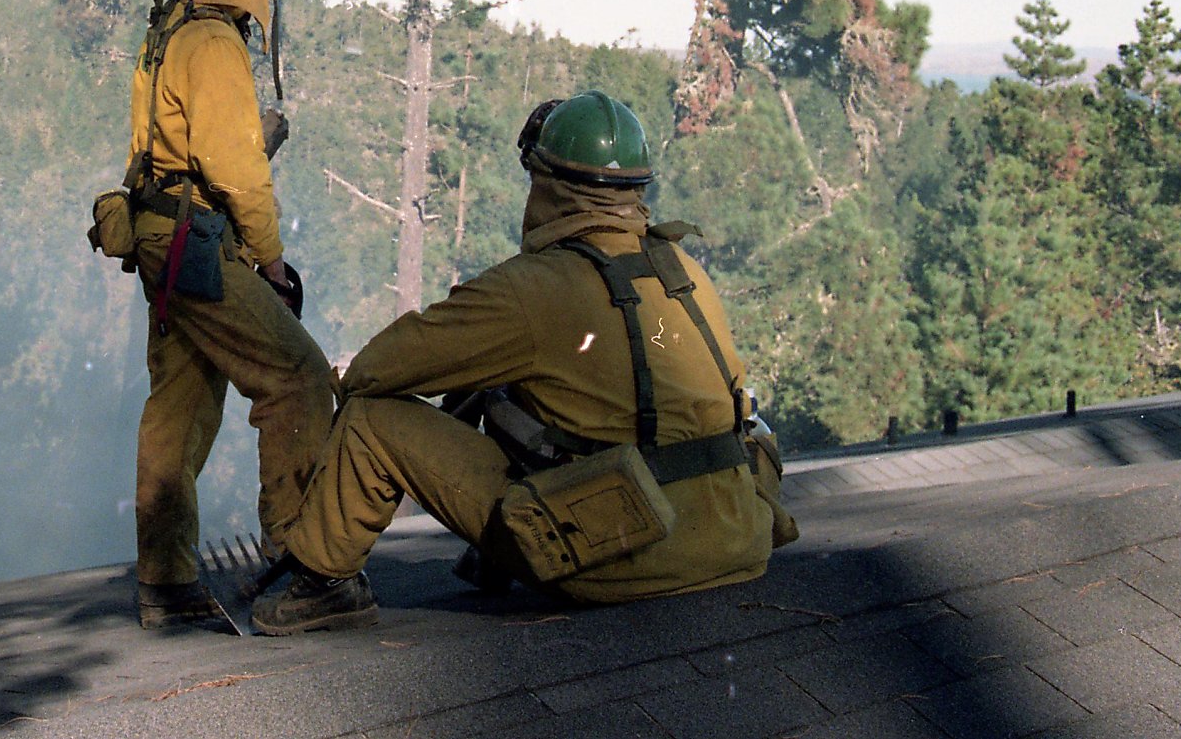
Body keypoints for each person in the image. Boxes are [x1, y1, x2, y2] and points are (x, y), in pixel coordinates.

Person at [252, 91, 788, 635]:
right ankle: (492, 557)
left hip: (624, 563)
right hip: (736, 541)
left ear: (548, 186)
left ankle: (325, 585)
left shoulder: (533, 289)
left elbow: (375, 370)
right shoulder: (681, 268)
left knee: (373, 421)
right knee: (542, 399)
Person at [119, 0, 334, 628]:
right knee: (298, 377)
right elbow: (236, 169)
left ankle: (168, 584)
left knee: (178, 407)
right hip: (198, 241)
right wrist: (271, 263)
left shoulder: (168, 25)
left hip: (164, 236)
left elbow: (174, 147)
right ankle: (306, 567)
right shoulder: (213, 42)